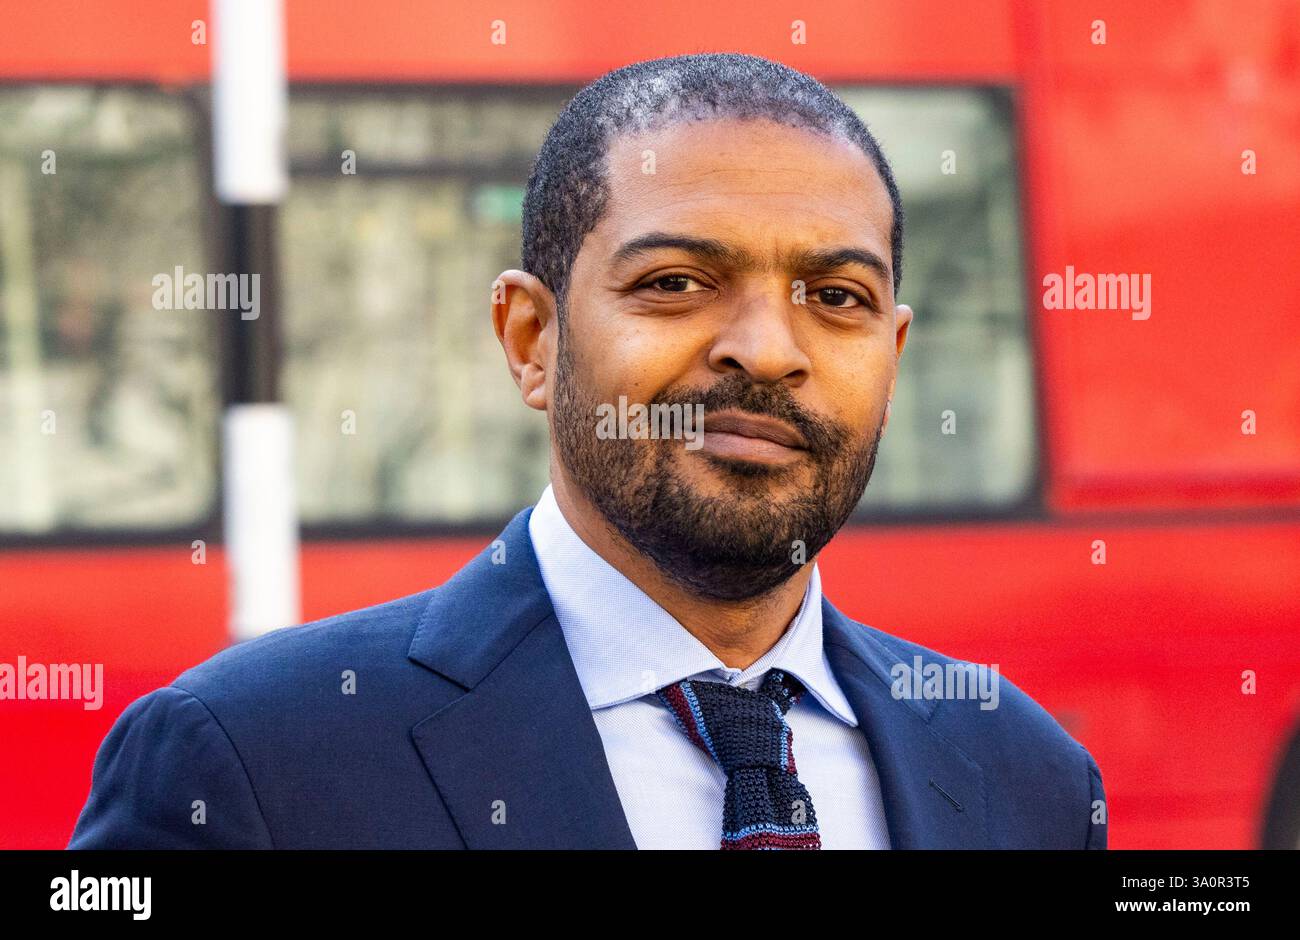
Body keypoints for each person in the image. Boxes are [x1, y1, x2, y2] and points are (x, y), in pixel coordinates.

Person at [69, 52, 1106, 850]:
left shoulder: (1028, 775)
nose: (766, 349)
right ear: (532, 338)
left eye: (836, 299)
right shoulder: (250, 760)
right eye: (674, 283)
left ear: (892, 352)